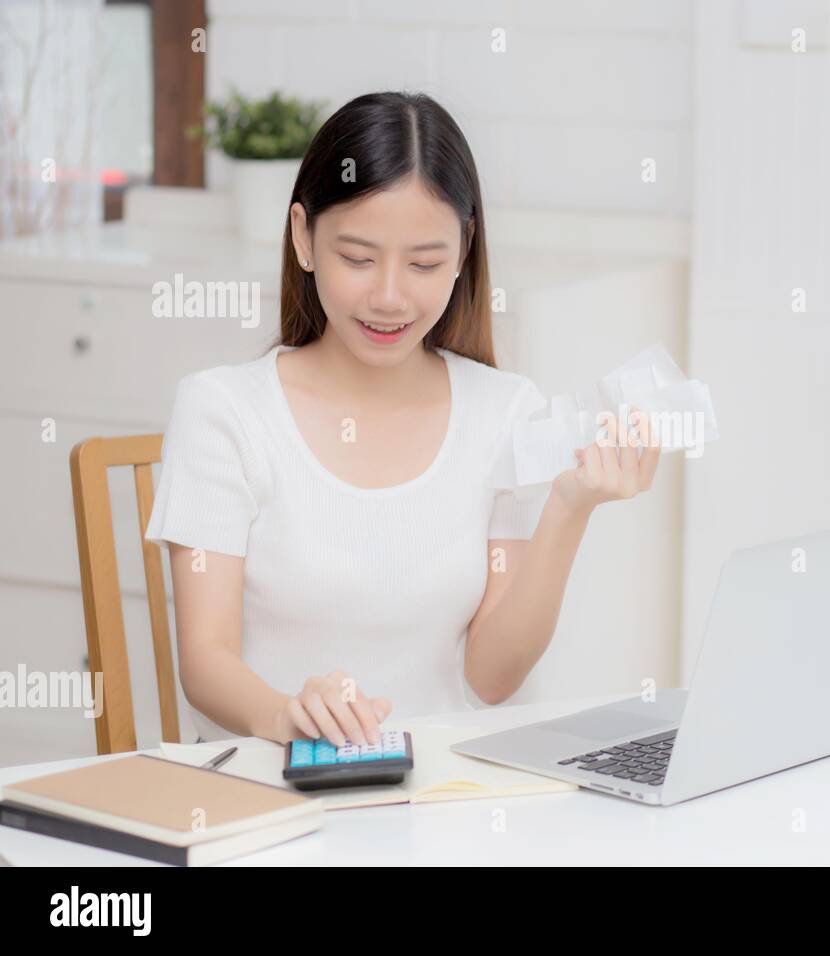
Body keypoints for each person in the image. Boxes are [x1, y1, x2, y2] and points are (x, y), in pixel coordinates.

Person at [144, 91, 660, 747]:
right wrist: (287, 717)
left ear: (465, 250)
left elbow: (492, 677)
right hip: (276, 803)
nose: (389, 297)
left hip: (445, 803)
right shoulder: (223, 412)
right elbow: (205, 662)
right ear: (303, 237)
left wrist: (568, 508)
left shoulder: (504, 412)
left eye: (424, 264)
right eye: (357, 258)